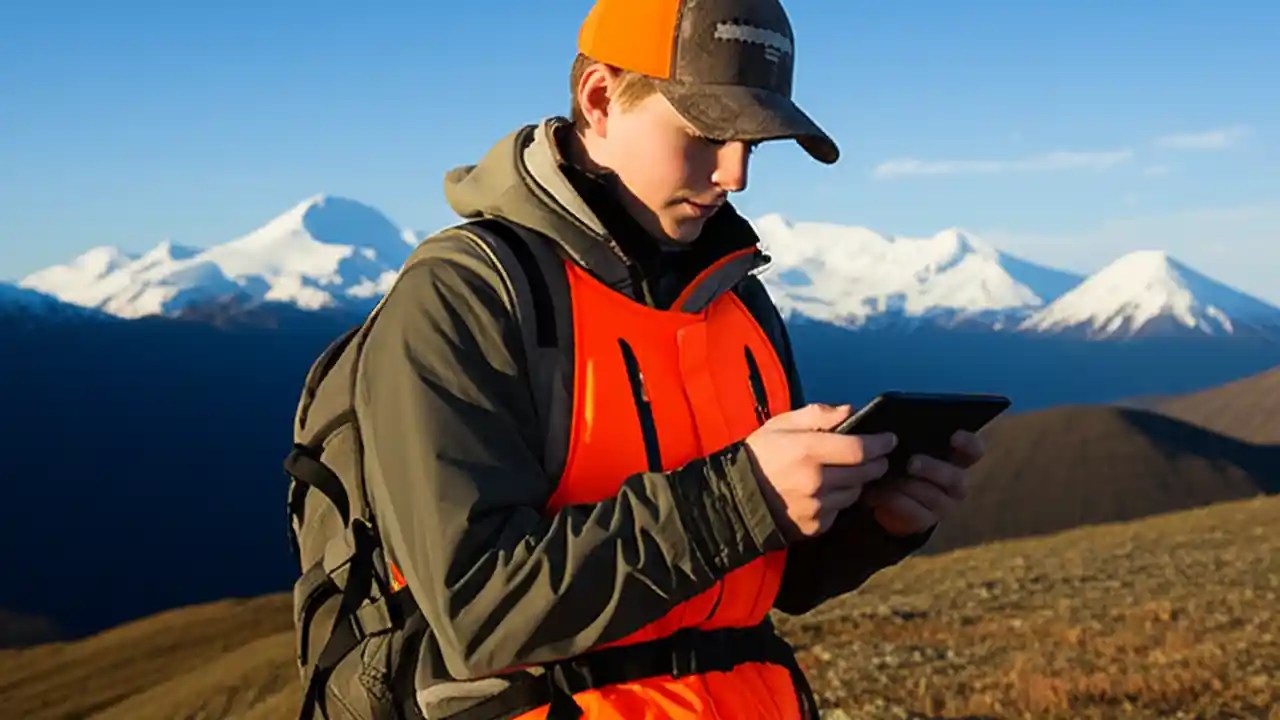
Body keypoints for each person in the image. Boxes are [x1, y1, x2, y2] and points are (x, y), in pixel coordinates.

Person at [354, 0, 985, 717]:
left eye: (756, 141)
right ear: (600, 99)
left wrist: (873, 523)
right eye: (706, 133)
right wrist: (742, 497)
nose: (737, 173)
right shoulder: (468, 294)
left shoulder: (735, 298)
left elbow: (754, 580)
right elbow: (479, 608)